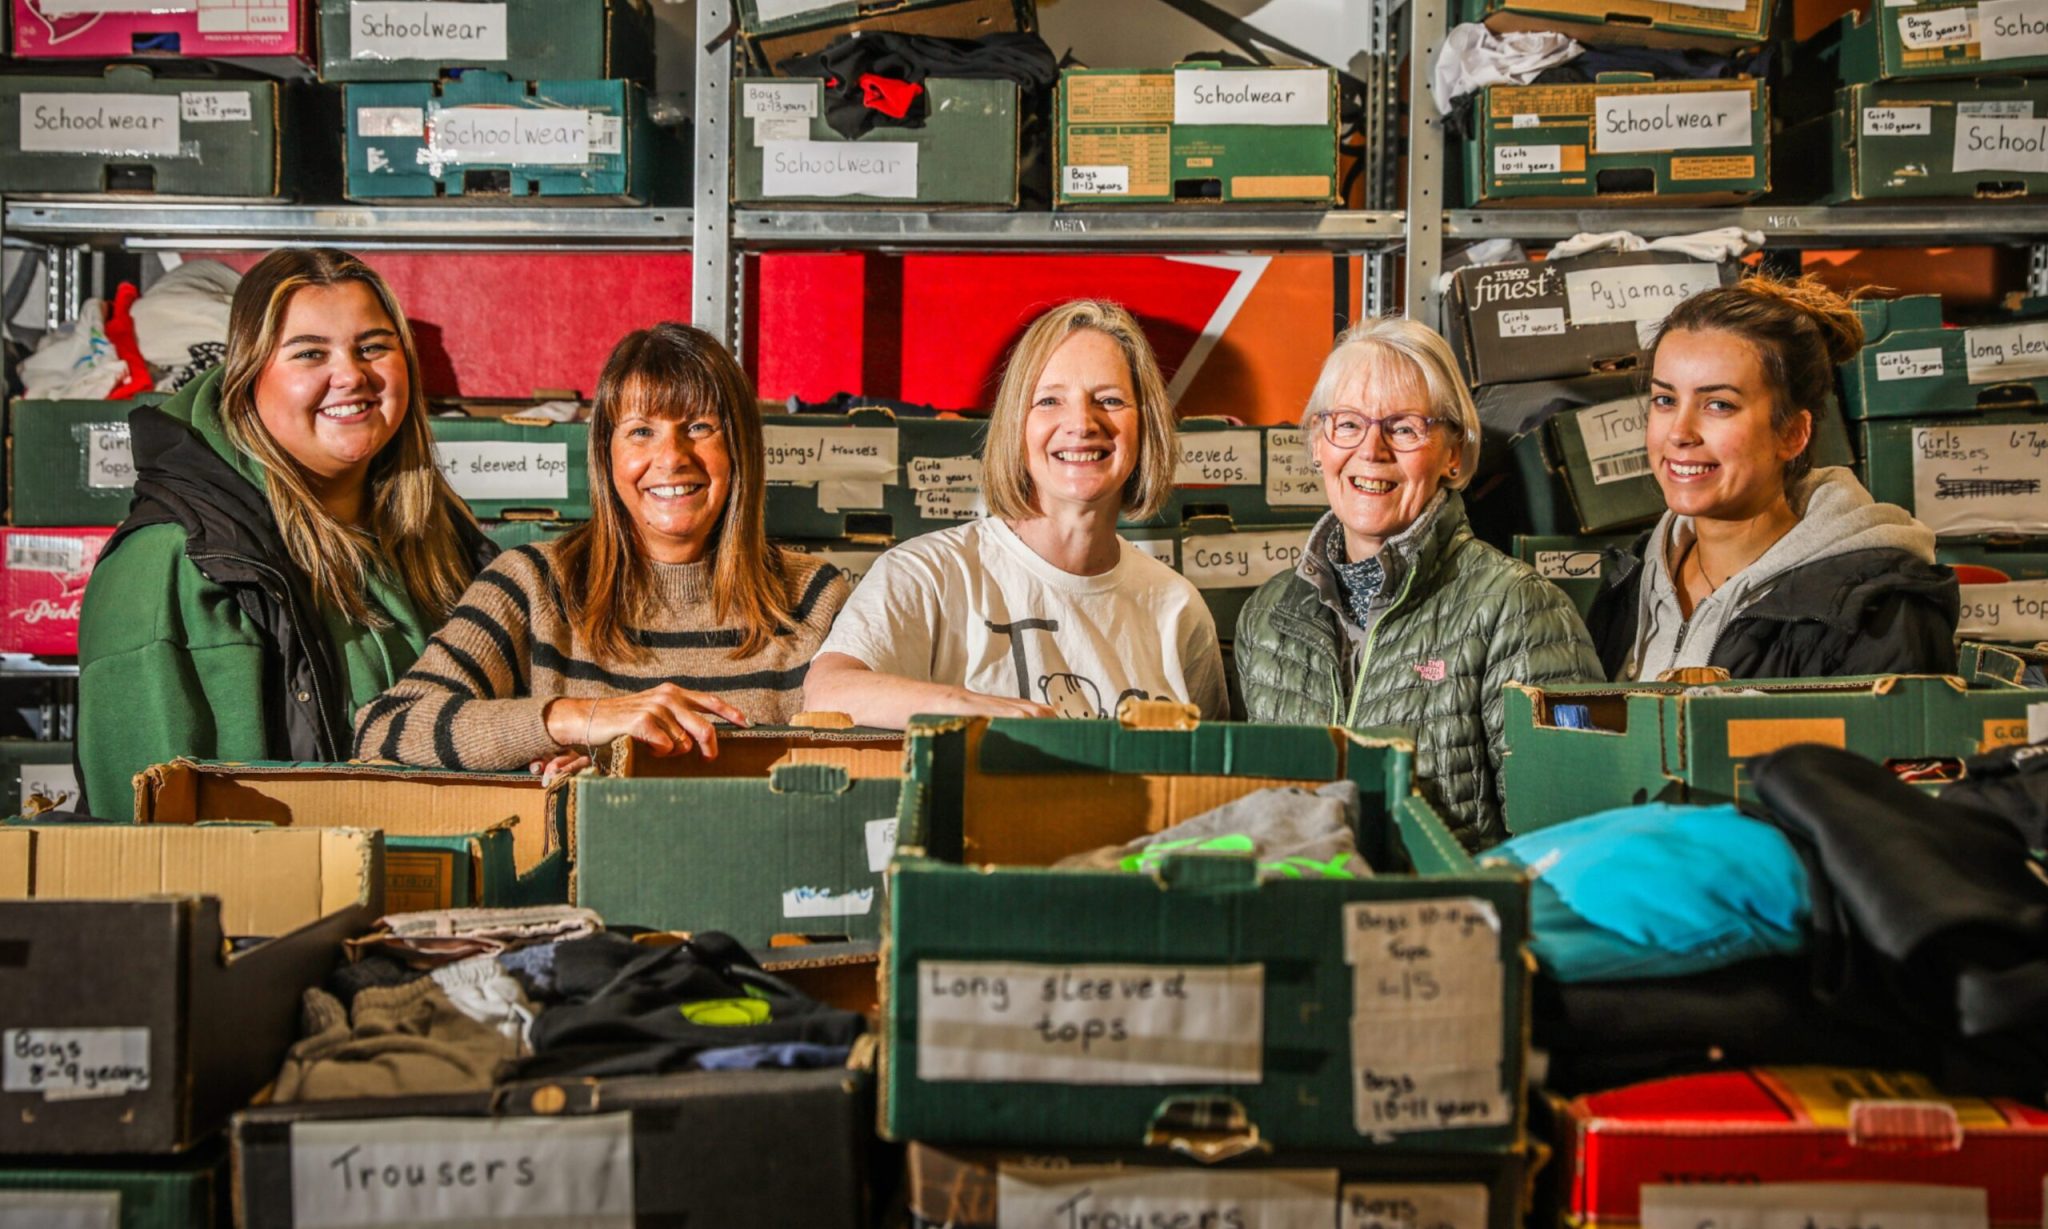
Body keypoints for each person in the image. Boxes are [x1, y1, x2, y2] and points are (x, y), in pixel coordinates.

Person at [76, 247, 493, 815]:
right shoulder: (173, 563)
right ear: (248, 377)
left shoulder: (435, 539)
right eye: (309, 353)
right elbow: (143, 840)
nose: (351, 375)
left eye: (372, 347)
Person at [354, 322, 848, 773]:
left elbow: (866, 761)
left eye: (699, 427)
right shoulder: (532, 584)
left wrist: (631, 770)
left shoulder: (815, 598)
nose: (672, 458)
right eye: (641, 432)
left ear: (740, 448)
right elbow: (385, 728)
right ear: (606, 454)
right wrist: (570, 721)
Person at [1234, 317, 1602, 851]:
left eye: (1404, 428)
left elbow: (1564, 842)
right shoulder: (1266, 617)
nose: (1371, 450)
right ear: (1318, 442)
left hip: (1445, 926)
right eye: (1347, 424)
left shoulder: (1518, 610)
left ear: (1453, 455)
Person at [805, 299, 1227, 727]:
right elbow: (828, 694)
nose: (1082, 423)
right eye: (1048, 401)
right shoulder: (928, 574)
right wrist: (978, 709)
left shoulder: (1177, 608)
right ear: (1014, 425)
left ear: (1147, 424)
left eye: (1110, 400)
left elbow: (1208, 775)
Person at [1586, 276, 1958, 681]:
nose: (1679, 432)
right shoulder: (1631, 581)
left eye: (1719, 404)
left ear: (1792, 433)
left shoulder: (1880, 610)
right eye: (1665, 400)